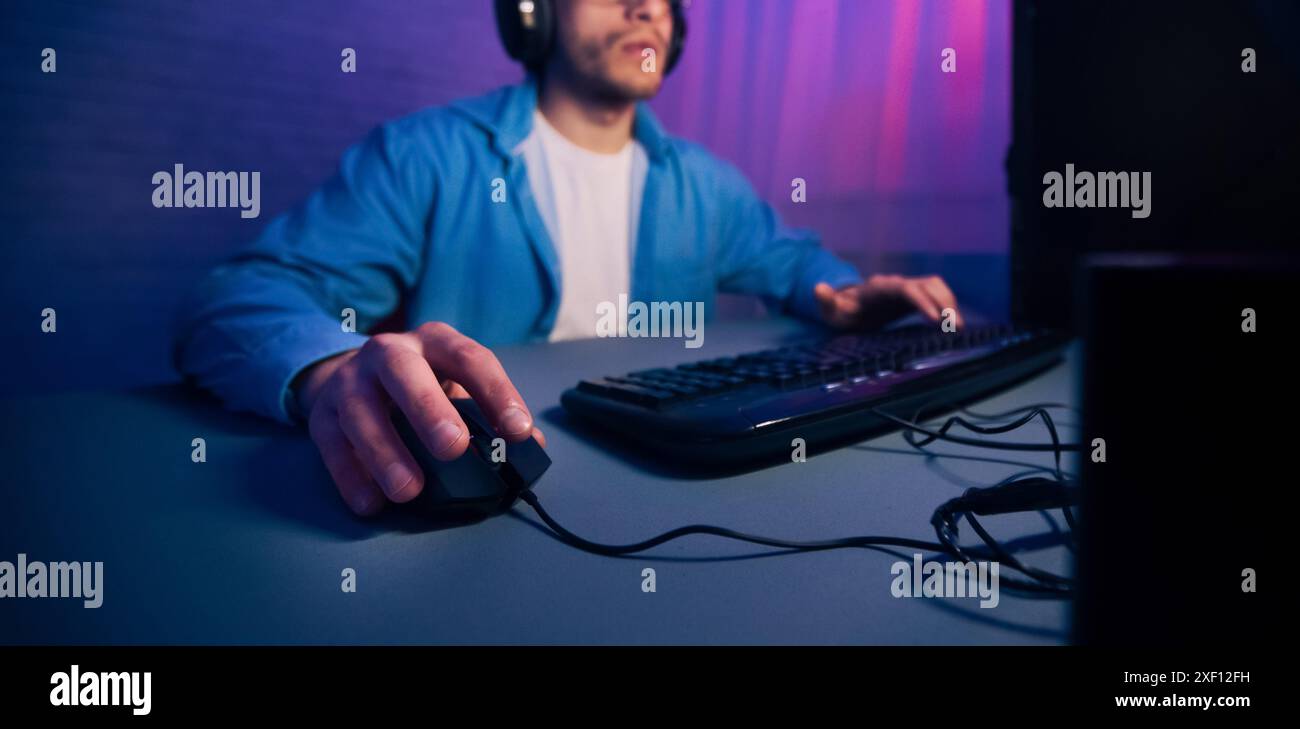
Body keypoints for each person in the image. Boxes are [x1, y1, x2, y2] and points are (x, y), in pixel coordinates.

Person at [176, 0, 964, 516]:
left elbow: (790, 261)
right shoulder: (425, 156)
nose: (646, 6)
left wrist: (844, 295)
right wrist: (326, 371)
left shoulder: (707, 185)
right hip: (497, 499)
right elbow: (240, 296)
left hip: (666, 505)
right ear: (532, 15)